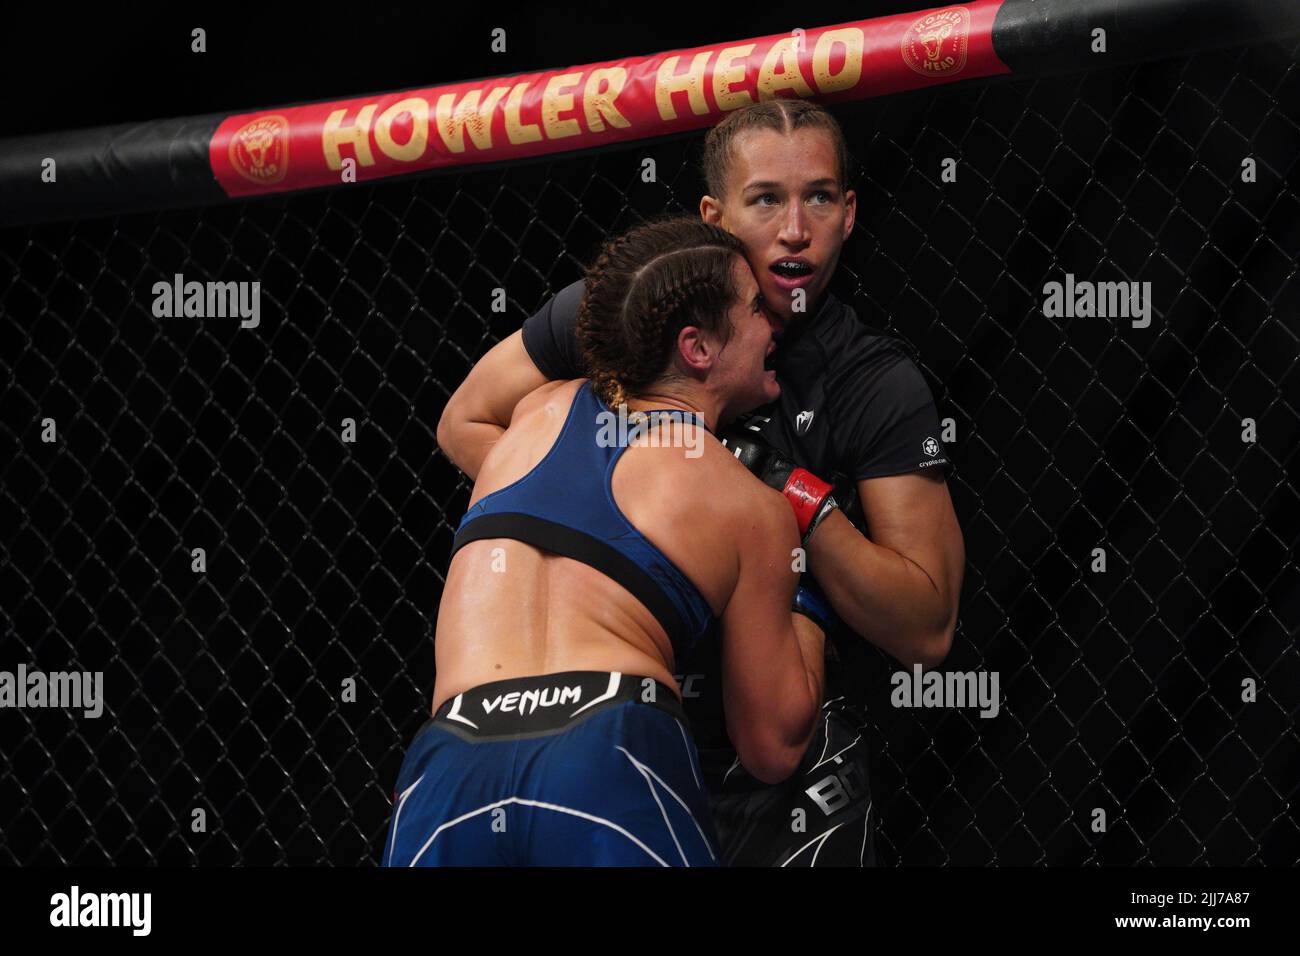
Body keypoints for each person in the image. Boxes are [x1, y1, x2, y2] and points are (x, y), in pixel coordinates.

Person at [437, 98, 966, 866]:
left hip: (772, 754)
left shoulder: (871, 382)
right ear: (716, 216)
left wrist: (807, 520)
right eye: (766, 200)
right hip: (620, 712)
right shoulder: (631, 306)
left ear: (850, 213)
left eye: (818, 196)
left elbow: (926, 629)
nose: (794, 230)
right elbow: (467, 423)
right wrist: (624, 516)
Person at [383, 217, 826, 867]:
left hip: (454, 758)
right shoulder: (749, 506)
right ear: (697, 348)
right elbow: (772, 746)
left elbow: (463, 420)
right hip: (608, 749)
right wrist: (807, 591)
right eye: (756, 309)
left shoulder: (529, 416)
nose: (773, 326)